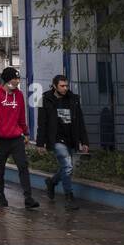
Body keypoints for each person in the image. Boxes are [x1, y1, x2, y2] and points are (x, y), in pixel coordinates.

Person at [0, 66, 39, 209]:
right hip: (1, 139)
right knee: (0, 168)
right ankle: (1, 195)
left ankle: (28, 198)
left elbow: (22, 116)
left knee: (23, 166)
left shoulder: (19, 95)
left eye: (18, 78)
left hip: (16, 138)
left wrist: (26, 132)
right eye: (14, 78)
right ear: (7, 79)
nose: (17, 81)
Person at [35, 74, 89, 208]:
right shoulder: (45, 99)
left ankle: (52, 182)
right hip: (56, 139)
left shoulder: (73, 99)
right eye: (62, 86)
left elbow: (80, 122)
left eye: (66, 85)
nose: (65, 88)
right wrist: (40, 144)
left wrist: (85, 141)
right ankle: (69, 197)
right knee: (68, 166)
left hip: (71, 138)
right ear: (54, 86)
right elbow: (42, 123)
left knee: (66, 168)